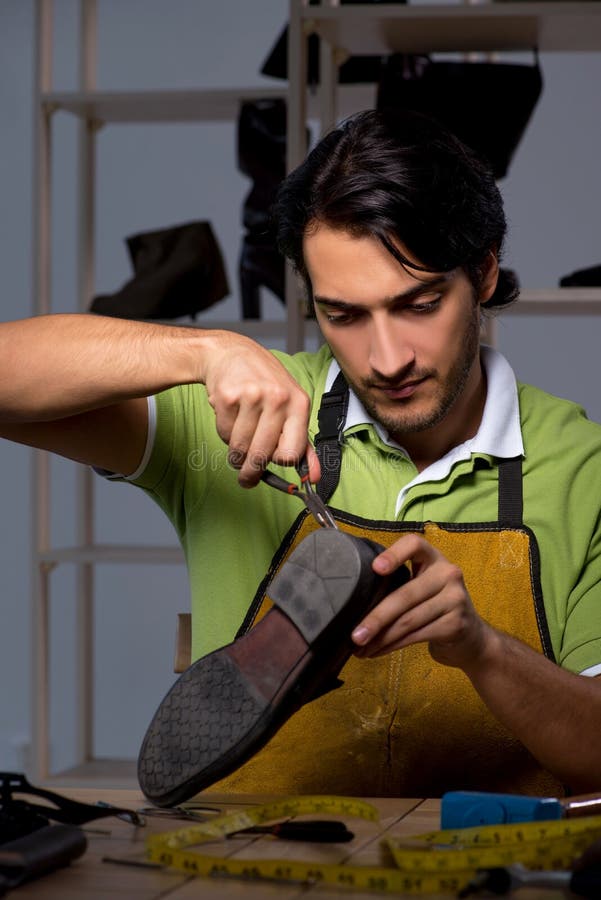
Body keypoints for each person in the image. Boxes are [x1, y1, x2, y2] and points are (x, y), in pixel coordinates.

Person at [2, 109, 601, 798]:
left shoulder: (580, 472)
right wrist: (202, 350)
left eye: (418, 303)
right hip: (238, 870)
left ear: (484, 272)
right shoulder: (246, 411)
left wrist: (480, 647)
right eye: (343, 314)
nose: (386, 359)